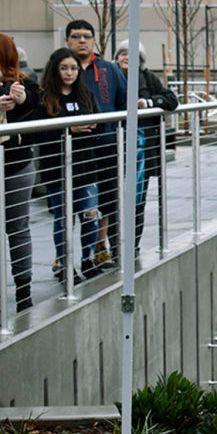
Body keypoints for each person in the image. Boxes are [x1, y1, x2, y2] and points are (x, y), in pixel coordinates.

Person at [0, 33, 42, 314]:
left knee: (17, 229)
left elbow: (41, 114)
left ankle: (23, 292)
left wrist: (22, 102)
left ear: (2, 54)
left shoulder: (23, 83)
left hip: (16, 166)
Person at [64, 20, 126, 271]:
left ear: (94, 40)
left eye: (87, 36)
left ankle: (100, 248)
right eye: (76, 36)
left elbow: (124, 102)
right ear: (67, 40)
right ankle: (65, 255)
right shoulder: (61, 68)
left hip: (107, 145)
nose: (82, 40)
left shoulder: (109, 70)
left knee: (107, 199)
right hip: (71, 150)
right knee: (70, 204)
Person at [38, 48, 102, 285]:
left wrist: (92, 126)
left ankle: (88, 259)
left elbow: (102, 124)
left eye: (74, 68)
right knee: (63, 219)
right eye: (64, 68)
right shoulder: (45, 98)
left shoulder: (86, 96)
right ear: (55, 70)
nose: (69, 73)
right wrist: (68, 129)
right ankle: (65, 265)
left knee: (89, 215)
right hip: (58, 170)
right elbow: (41, 133)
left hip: (86, 166)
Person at [115, 41, 178, 255]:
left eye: (132, 54)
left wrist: (148, 103)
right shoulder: (108, 77)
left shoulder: (149, 79)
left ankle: (132, 246)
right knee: (113, 200)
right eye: (123, 53)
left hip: (142, 151)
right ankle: (112, 248)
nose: (126, 57)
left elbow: (171, 100)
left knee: (137, 200)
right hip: (114, 148)